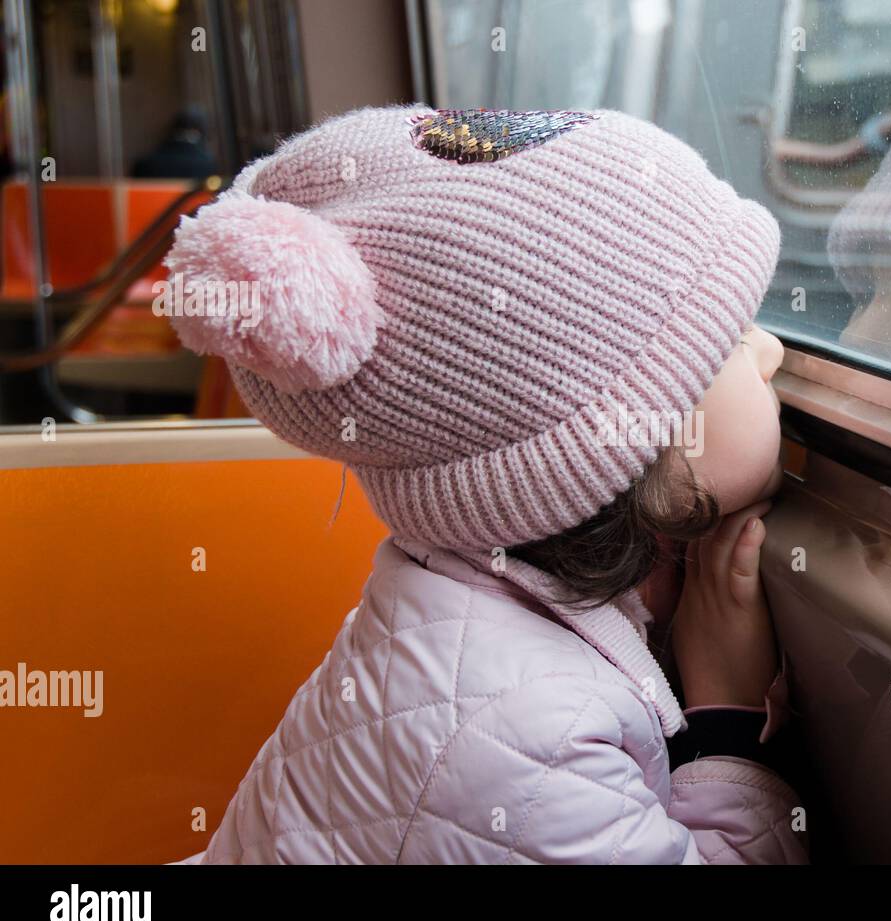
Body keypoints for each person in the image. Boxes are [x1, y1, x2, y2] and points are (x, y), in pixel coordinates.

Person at [162, 106, 808, 864]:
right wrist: (729, 720)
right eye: (726, 340)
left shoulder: (454, 610)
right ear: (610, 453)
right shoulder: (536, 737)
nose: (766, 352)